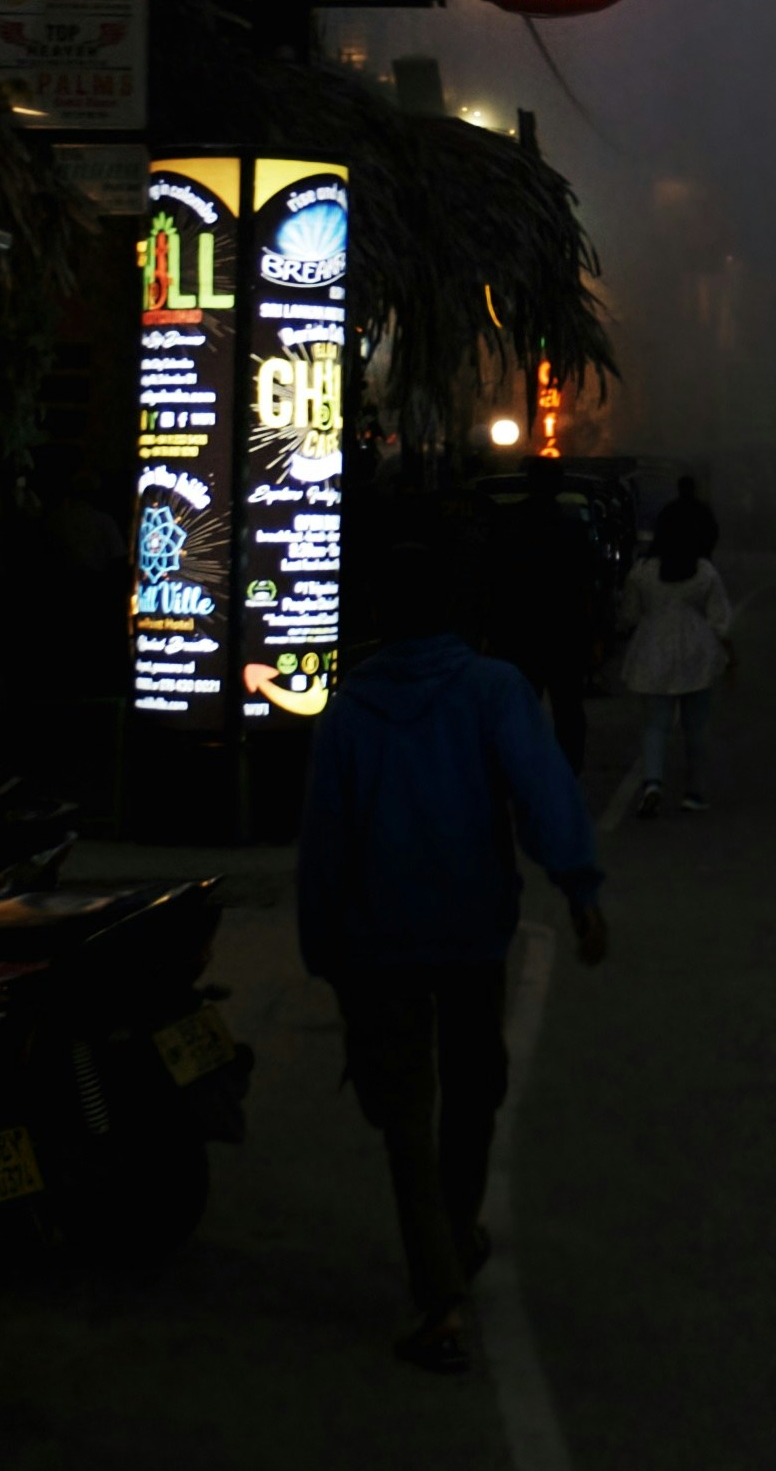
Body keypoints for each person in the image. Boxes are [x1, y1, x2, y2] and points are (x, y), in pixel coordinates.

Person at [297, 541, 607, 1375]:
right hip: (472, 929)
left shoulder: (351, 707)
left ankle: (440, 1285)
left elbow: (324, 842)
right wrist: (580, 890)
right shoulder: (492, 690)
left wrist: (321, 946)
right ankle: (451, 1250)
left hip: (376, 940)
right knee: (474, 1087)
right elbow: (545, 793)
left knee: (404, 1116)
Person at [485, 456, 603, 771]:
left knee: (521, 707)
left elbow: (492, 580)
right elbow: (587, 584)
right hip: (563, 633)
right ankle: (567, 771)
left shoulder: (507, 524)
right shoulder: (571, 528)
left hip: (519, 631)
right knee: (568, 710)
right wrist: (591, 633)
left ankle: (517, 767)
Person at [620, 524, 734, 816]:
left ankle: (652, 783)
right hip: (697, 651)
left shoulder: (643, 572)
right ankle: (694, 792)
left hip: (653, 649)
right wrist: (730, 654)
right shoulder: (704, 572)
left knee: (655, 724)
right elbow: (720, 618)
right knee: (695, 727)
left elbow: (629, 613)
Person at [650, 470, 720, 568]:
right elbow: (712, 532)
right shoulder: (702, 510)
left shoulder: (670, 510)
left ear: (679, 488)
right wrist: (704, 551)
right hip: (698, 557)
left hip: (674, 557)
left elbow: (661, 532)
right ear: (694, 489)